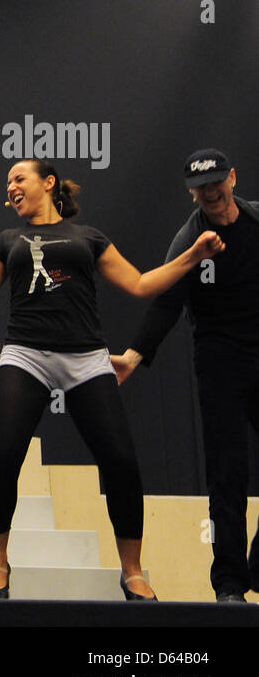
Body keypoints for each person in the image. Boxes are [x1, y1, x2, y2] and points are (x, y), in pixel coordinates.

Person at [0, 160, 222, 600]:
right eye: (8, 183)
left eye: (19, 178)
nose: (12, 186)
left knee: (120, 460)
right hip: (25, 355)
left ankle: (132, 571)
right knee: (2, 455)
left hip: (86, 357)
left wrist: (193, 255)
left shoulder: (88, 238)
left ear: (48, 183)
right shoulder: (8, 241)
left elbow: (139, 284)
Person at [111, 149, 256, 603]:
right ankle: (229, 585)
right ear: (191, 192)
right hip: (219, 360)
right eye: (202, 186)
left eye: (218, 181)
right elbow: (166, 303)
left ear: (232, 178)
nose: (211, 191)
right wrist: (134, 356)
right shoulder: (190, 239)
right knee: (227, 475)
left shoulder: (256, 222)